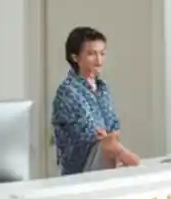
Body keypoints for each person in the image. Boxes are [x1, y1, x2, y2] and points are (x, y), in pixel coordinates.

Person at [51, 27, 140, 176]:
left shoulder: (102, 87)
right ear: (75, 57)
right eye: (92, 54)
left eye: (102, 53)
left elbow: (114, 128)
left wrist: (108, 136)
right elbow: (88, 134)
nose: (99, 60)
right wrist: (106, 138)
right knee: (108, 145)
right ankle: (137, 165)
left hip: (105, 157)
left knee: (110, 144)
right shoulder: (68, 91)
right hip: (80, 166)